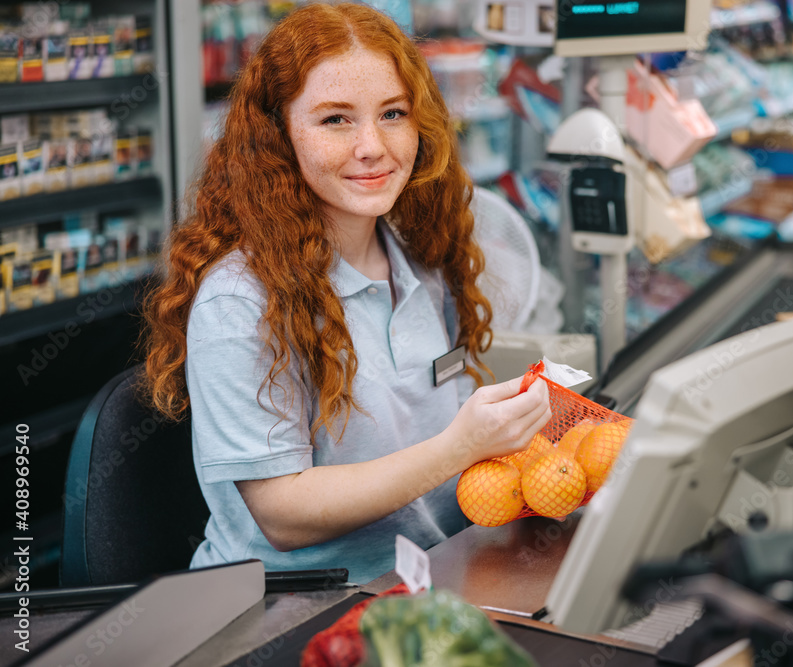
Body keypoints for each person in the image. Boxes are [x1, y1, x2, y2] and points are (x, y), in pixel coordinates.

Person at [141, 2, 550, 583]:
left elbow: (441, 406)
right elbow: (284, 512)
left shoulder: (422, 261)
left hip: (430, 578)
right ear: (278, 136)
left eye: (392, 114)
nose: (372, 147)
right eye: (335, 119)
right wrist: (462, 446)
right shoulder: (241, 300)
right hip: (293, 609)